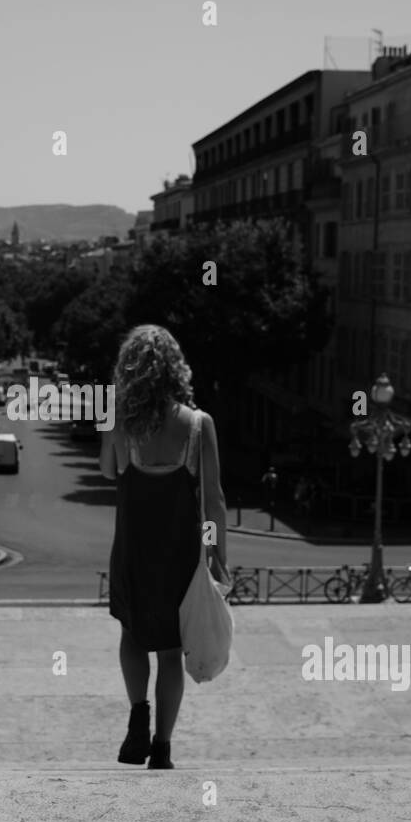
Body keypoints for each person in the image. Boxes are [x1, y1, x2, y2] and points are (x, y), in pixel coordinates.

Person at [99, 325, 228, 770]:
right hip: (180, 556)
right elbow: (214, 500)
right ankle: (163, 747)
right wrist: (217, 558)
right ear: (176, 368)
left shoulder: (118, 418)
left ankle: (138, 714)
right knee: (172, 650)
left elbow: (108, 470)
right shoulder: (198, 424)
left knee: (132, 635)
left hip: (133, 549)